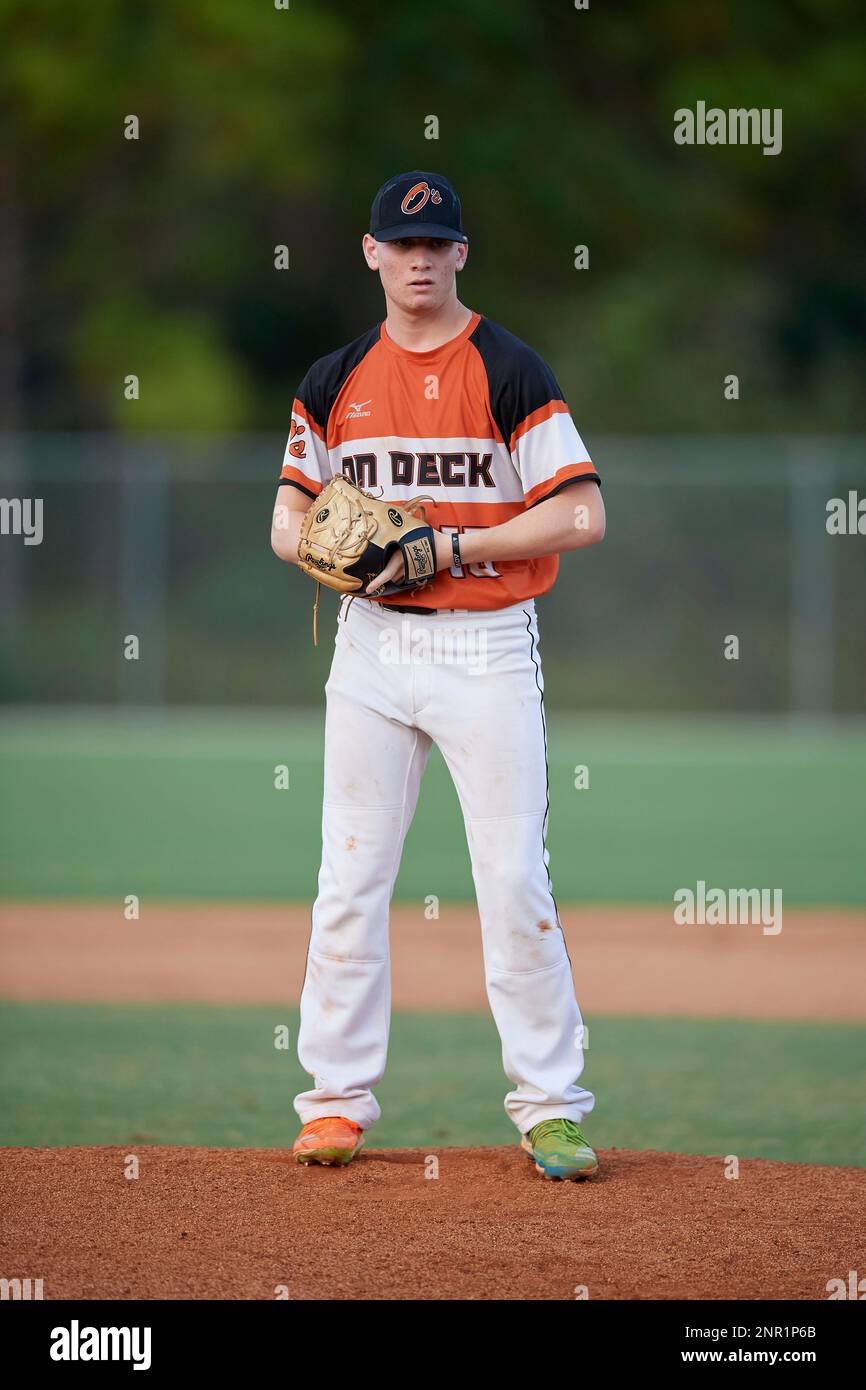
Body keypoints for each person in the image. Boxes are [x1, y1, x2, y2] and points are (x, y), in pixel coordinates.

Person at [270, 170, 606, 1180]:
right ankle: (332, 1101)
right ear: (370, 254)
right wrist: (317, 549)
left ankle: (549, 1106)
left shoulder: (508, 369)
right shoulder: (332, 380)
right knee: (349, 879)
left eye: (437, 244)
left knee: (511, 883)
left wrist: (449, 548)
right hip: (371, 649)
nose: (419, 260)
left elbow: (583, 511)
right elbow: (285, 518)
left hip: (484, 643)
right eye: (400, 244)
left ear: (460, 254)